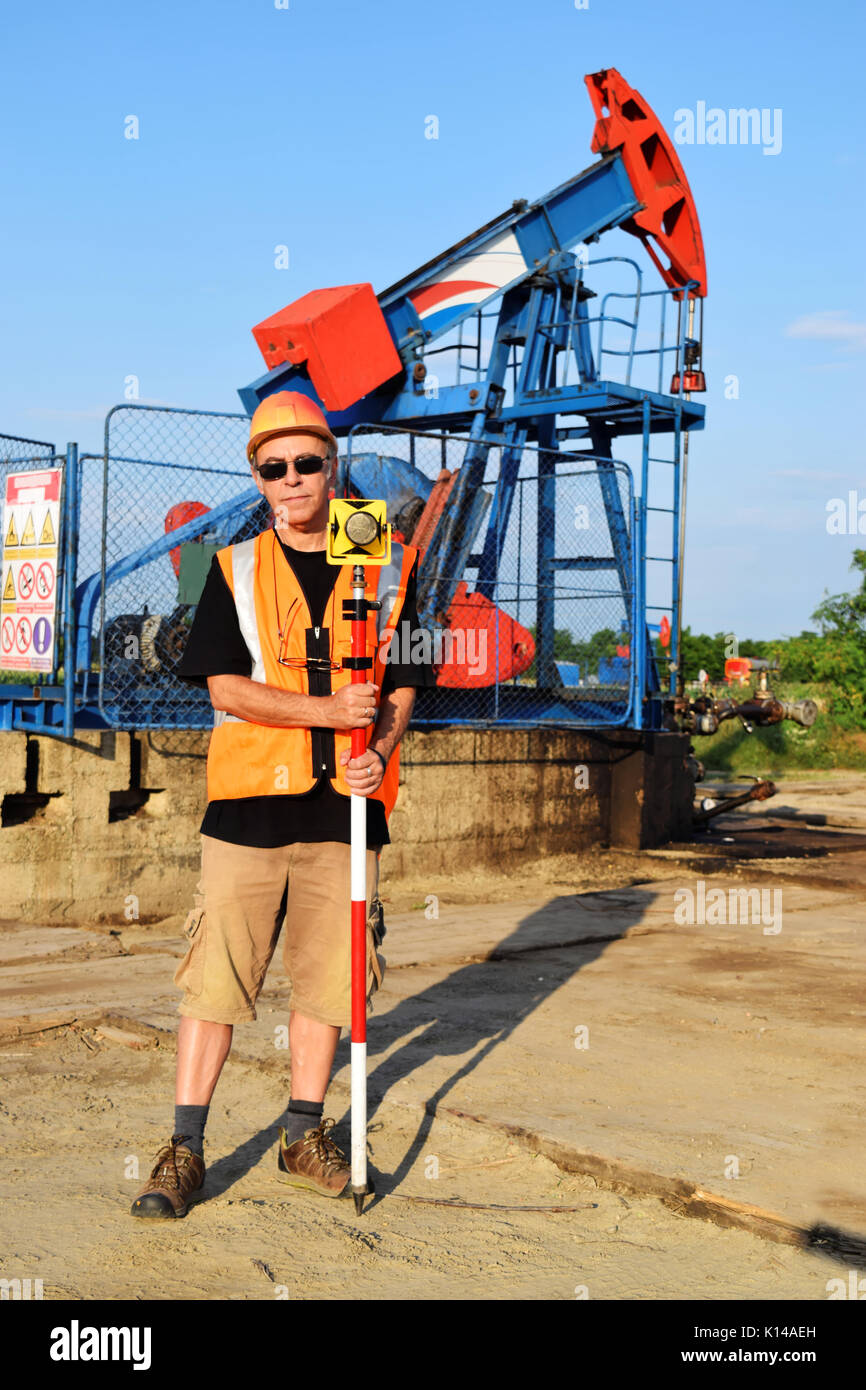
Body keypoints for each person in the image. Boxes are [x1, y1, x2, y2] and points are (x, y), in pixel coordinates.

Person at [130, 391, 434, 1218]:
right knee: (216, 981)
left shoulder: (385, 557)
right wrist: (325, 715)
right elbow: (224, 685)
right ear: (257, 477)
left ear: (334, 468)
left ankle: (303, 1137)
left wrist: (381, 745)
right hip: (250, 809)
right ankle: (184, 1151)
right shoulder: (232, 567)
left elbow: (408, 678)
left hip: (347, 807)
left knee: (331, 983)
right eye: (275, 467)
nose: (293, 479)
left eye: (309, 463)